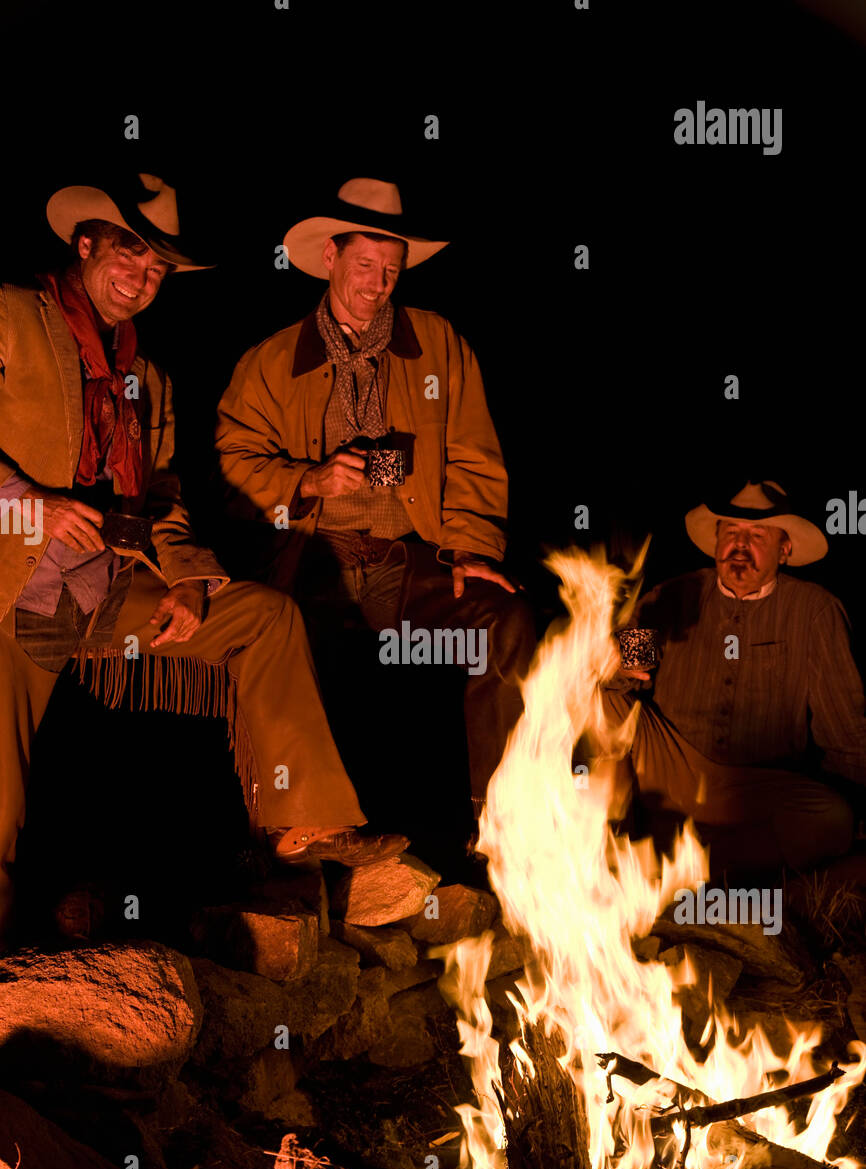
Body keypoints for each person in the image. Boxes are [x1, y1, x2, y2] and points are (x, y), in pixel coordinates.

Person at [0, 173, 405, 945]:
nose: (143, 279)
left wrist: (188, 579)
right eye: (131, 254)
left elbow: (163, 500)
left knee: (266, 617)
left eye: (158, 271)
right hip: (13, 588)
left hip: (110, 589)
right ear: (85, 244)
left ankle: (304, 823)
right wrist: (27, 500)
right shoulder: (13, 314)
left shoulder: (146, 380)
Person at [215, 179, 536, 827]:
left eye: (392, 269)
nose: (379, 282)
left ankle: (501, 824)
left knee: (507, 621)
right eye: (365, 265)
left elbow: (476, 456)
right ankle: (289, 836)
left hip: (407, 561)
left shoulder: (439, 344)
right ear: (330, 258)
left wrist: (470, 550)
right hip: (313, 562)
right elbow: (232, 469)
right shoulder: (273, 361)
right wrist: (307, 481)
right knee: (283, 646)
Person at [603, 481, 866, 874]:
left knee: (832, 819)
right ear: (715, 544)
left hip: (758, 786)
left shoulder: (816, 613)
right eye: (731, 531)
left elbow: (846, 736)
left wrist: (856, 810)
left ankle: (681, 863)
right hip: (669, 765)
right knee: (596, 704)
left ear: (784, 549)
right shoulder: (674, 594)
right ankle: (614, 844)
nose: (740, 545)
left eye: (758, 534)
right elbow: (615, 677)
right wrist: (618, 665)